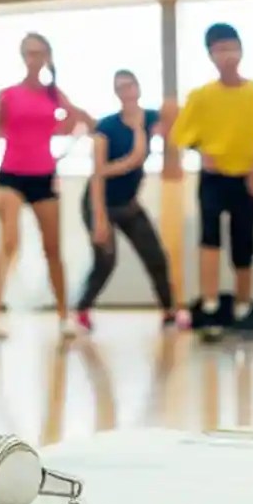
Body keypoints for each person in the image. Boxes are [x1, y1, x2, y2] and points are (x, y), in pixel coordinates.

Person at [170, 22, 253, 340]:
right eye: (220, 50)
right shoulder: (202, 96)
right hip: (213, 178)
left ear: (241, 51)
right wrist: (201, 151)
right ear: (210, 55)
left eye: (231, 48)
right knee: (210, 238)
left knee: (245, 241)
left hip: (245, 178)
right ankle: (210, 305)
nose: (227, 56)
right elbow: (181, 134)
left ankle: (242, 305)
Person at [0, 32, 94, 340]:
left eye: (40, 53)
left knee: (53, 248)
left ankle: (63, 317)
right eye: (30, 53)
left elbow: (81, 121)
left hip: (43, 176)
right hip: (10, 176)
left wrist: (66, 146)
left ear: (48, 57)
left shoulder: (54, 95)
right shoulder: (7, 94)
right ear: (23, 56)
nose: (35, 58)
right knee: (9, 243)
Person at [74, 69, 178, 332]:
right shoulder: (107, 127)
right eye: (120, 88)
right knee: (106, 261)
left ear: (138, 88)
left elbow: (170, 126)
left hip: (128, 204)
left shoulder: (151, 117)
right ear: (116, 93)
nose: (126, 92)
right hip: (99, 202)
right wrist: (99, 219)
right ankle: (81, 310)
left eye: (130, 86)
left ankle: (169, 312)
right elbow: (99, 175)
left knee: (155, 256)